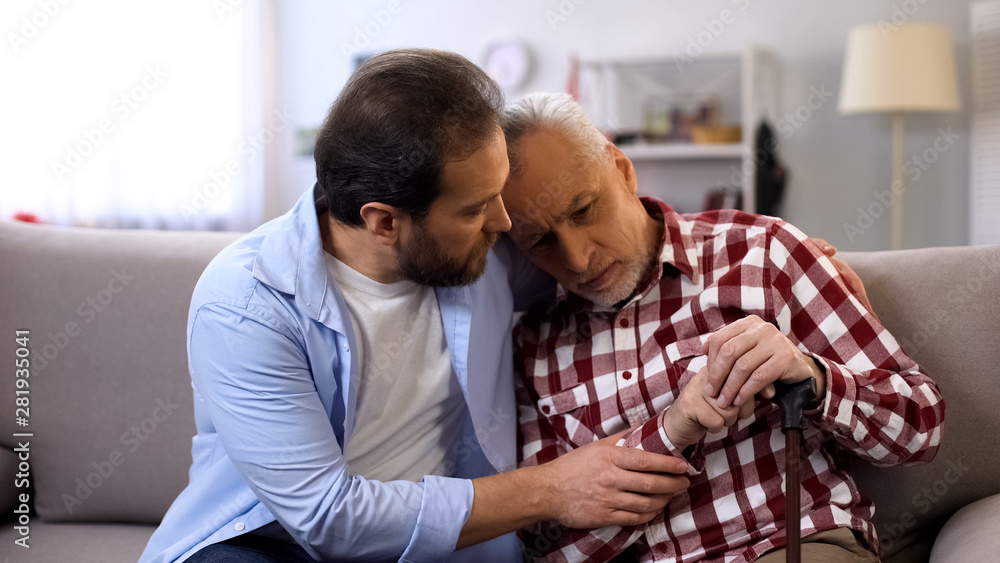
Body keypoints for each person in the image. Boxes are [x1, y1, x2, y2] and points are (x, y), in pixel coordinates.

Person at [139, 51, 691, 563]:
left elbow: (622, 258)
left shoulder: (483, 254)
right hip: (271, 545)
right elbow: (326, 517)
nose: (504, 224)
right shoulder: (245, 304)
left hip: (450, 547)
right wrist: (553, 488)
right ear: (384, 222)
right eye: (476, 208)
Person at [501, 92, 945, 562]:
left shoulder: (765, 253)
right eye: (541, 240)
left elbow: (921, 427)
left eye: (583, 209)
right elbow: (549, 547)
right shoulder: (533, 343)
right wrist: (673, 431)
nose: (577, 257)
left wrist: (814, 378)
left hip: (787, 545)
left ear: (621, 168)